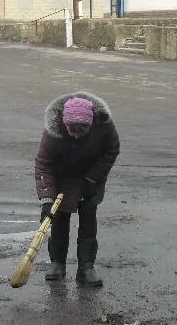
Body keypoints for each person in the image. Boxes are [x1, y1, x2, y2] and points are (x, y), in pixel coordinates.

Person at [34, 92, 120, 287]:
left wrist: (92, 178)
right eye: (72, 129)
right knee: (60, 218)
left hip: (91, 174)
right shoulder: (53, 131)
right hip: (61, 175)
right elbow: (43, 164)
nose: (76, 134)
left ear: (91, 124)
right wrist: (47, 199)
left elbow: (111, 150)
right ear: (64, 124)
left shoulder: (104, 125)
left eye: (82, 130)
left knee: (88, 216)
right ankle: (57, 265)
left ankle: (86, 268)